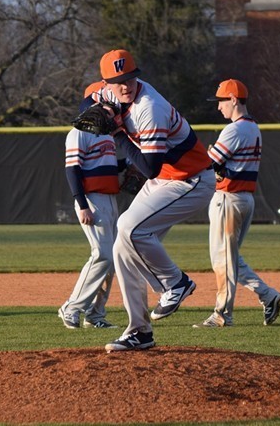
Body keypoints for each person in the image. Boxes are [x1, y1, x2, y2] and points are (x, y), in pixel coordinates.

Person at [92, 49, 216, 352]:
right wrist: (100, 108)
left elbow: (149, 168)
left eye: (130, 78)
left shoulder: (149, 107)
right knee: (123, 244)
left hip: (193, 178)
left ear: (137, 75)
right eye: (117, 81)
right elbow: (87, 104)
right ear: (107, 83)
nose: (125, 86)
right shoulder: (109, 94)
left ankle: (176, 283)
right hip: (167, 179)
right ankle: (140, 331)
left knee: (131, 227)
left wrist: (117, 132)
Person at [194, 79, 280, 328]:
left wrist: (210, 161)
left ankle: (222, 315)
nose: (218, 107)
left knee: (223, 260)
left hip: (228, 199)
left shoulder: (234, 130)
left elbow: (208, 164)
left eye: (221, 101)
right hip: (244, 199)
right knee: (231, 259)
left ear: (233, 99)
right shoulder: (253, 127)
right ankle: (269, 296)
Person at [57, 81, 120, 330]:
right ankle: (71, 308)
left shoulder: (106, 134)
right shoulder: (78, 132)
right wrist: (81, 205)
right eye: (107, 109)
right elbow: (72, 170)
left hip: (110, 199)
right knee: (102, 254)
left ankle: (95, 315)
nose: (111, 114)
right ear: (94, 105)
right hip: (91, 200)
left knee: (112, 259)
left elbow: (104, 166)